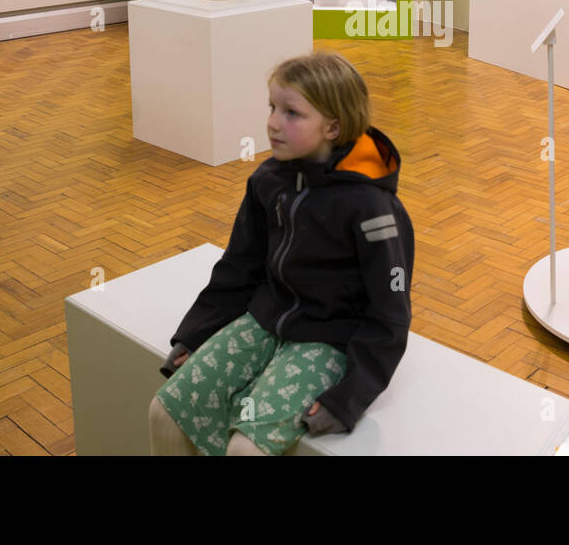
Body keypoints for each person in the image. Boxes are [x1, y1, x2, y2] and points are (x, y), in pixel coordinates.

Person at [149, 52, 415, 456]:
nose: (273, 122)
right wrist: (196, 331)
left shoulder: (372, 208)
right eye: (272, 107)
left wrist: (349, 399)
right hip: (263, 321)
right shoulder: (267, 180)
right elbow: (239, 265)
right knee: (163, 411)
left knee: (245, 450)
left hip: (327, 340)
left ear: (333, 126)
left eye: (292, 113)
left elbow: (389, 313)